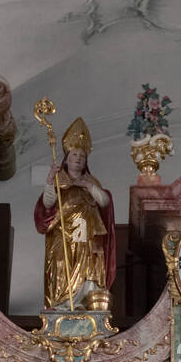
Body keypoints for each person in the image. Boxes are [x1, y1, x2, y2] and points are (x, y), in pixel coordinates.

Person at [33, 117, 116, 309]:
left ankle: (84, 303)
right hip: (63, 235)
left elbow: (104, 201)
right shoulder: (58, 180)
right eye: (74, 155)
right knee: (62, 265)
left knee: (88, 268)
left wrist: (88, 186)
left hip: (86, 235)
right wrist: (50, 181)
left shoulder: (91, 181)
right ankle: (63, 303)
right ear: (67, 159)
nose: (78, 159)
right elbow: (48, 203)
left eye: (82, 156)